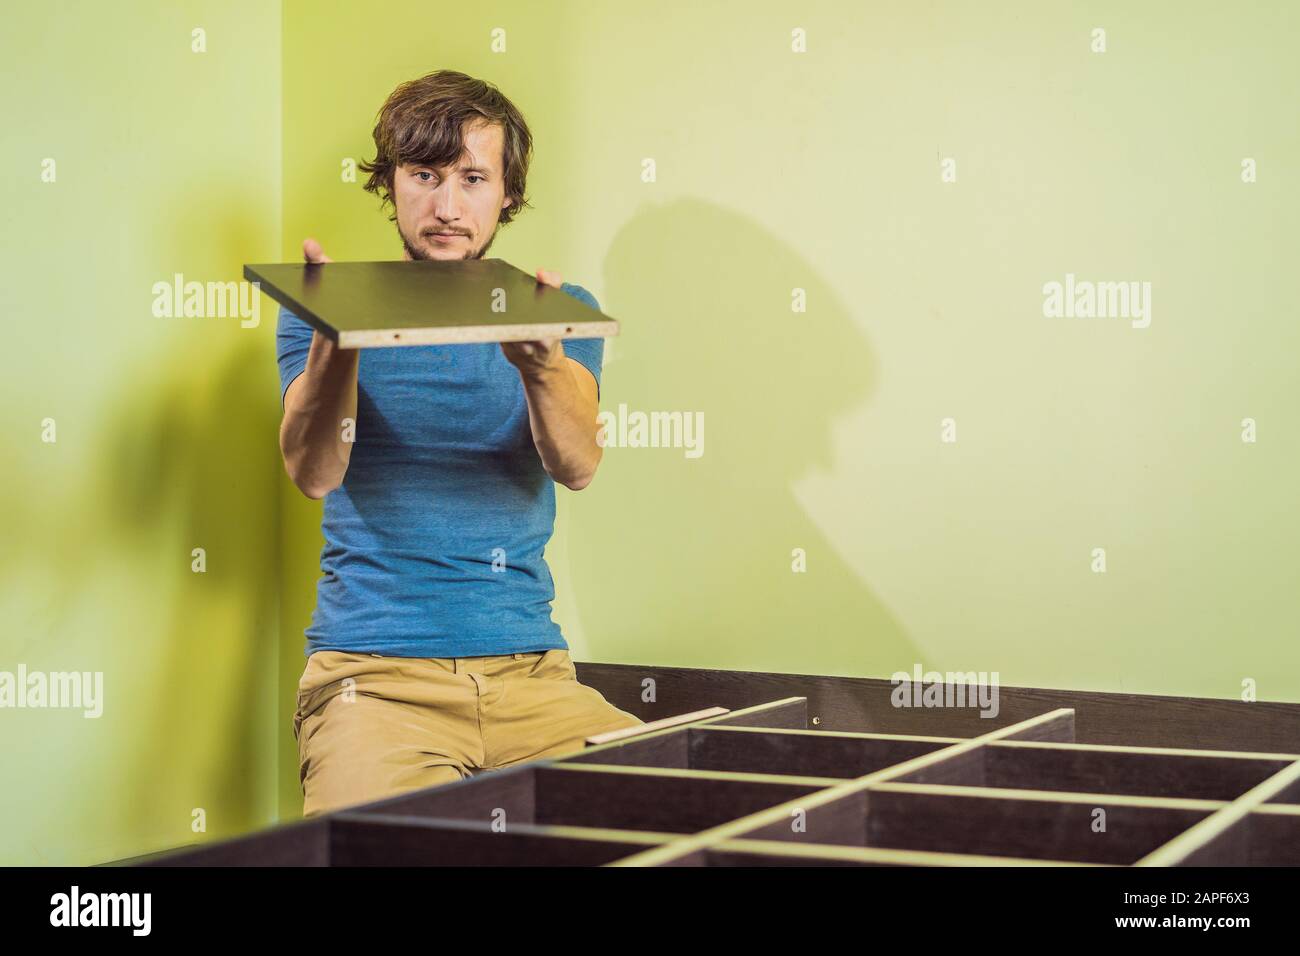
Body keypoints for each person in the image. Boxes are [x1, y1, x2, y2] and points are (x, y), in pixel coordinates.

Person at [277, 69, 641, 817]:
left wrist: (541, 366)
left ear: (507, 192)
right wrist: (336, 349)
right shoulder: (319, 311)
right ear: (391, 185)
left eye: (472, 178)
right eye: (424, 176)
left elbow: (577, 464)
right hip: (373, 683)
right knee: (369, 855)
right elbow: (314, 472)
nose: (447, 207)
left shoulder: (563, 313)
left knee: (672, 809)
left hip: (533, 681)